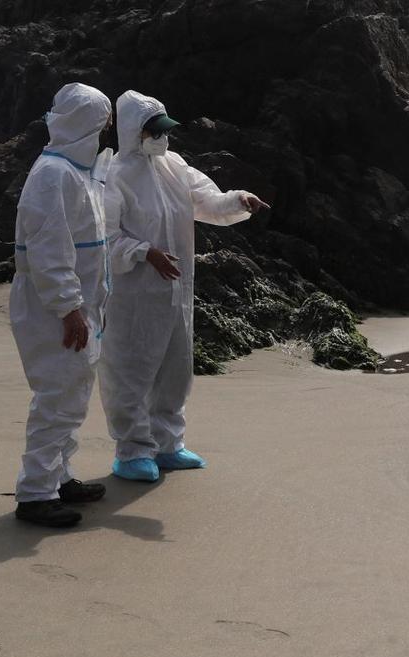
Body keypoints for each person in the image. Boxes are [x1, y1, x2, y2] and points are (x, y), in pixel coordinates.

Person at [100, 90, 268, 482]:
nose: (162, 138)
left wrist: (238, 200)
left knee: (175, 367)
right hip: (134, 293)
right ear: (132, 131)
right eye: (154, 131)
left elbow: (205, 199)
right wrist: (145, 253)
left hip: (176, 289)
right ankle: (132, 452)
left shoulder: (173, 165)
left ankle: (168, 444)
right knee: (132, 369)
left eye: (164, 130)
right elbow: (104, 237)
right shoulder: (114, 175)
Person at [10, 83, 114, 527]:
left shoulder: (78, 170)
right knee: (56, 395)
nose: (108, 128)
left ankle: (59, 476)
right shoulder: (53, 174)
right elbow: (48, 250)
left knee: (73, 394)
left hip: (77, 303)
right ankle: (35, 493)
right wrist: (69, 307)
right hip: (55, 307)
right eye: (103, 120)